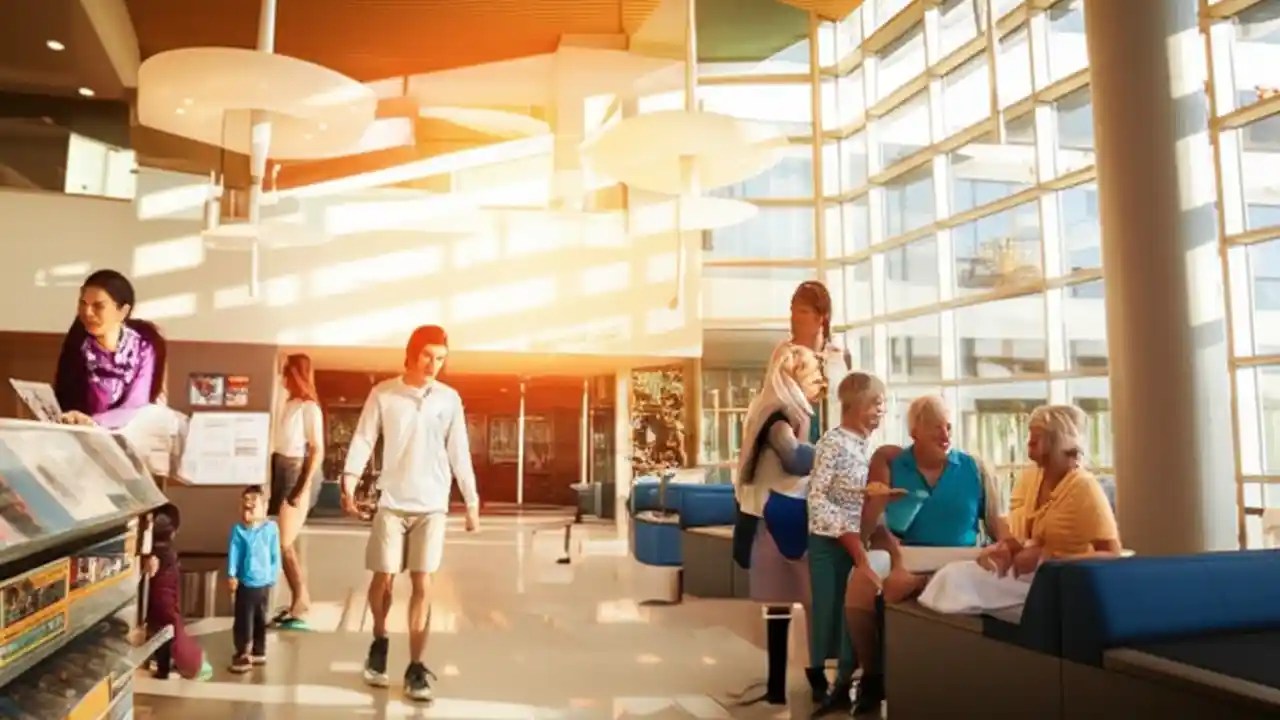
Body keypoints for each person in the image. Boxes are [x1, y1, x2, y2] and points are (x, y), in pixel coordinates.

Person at [843, 396, 1011, 716]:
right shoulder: (894, 464)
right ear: (915, 431)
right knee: (859, 584)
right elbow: (877, 529)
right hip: (905, 552)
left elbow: (996, 521)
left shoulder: (973, 467)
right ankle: (872, 673)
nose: (945, 435)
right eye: (936, 428)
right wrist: (897, 562)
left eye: (948, 427)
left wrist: (1008, 546)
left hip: (962, 554)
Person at [341, 324, 481, 703]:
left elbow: (459, 452)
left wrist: (471, 501)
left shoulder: (449, 399)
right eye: (427, 356)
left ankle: (416, 667)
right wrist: (350, 480)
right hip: (391, 502)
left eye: (440, 359)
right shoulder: (384, 393)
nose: (433, 364)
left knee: (423, 584)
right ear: (412, 353)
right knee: (383, 579)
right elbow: (364, 437)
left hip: (432, 505)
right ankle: (380, 640)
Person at [919, 405, 1121, 614]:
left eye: (1034, 441)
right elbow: (1017, 534)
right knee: (952, 575)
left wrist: (1051, 562)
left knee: (956, 582)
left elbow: (1112, 553)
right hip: (1025, 575)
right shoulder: (1032, 477)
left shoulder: (1083, 487)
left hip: (1061, 580)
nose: (1028, 447)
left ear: (1057, 442)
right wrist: (1005, 549)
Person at [731, 344, 826, 706]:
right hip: (782, 517)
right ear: (795, 376)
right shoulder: (779, 415)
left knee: (780, 604)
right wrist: (834, 453)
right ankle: (813, 680)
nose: (819, 383)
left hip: (769, 516)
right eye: (814, 375)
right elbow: (794, 458)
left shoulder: (771, 408)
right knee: (808, 600)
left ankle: (779, 685)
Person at [806, 372, 893, 716]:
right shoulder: (832, 443)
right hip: (831, 545)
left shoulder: (865, 448)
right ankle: (828, 686)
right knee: (830, 615)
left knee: (850, 617)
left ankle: (844, 683)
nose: (881, 411)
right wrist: (849, 536)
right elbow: (817, 499)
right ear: (857, 406)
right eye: (877, 404)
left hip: (858, 542)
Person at [53, 269, 167, 430]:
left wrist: (94, 422)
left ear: (123, 311)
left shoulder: (143, 348)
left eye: (98, 306)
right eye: (83, 304)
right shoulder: (78, 347)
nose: (87, 313)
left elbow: (136, 406)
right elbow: (65, 401)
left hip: (131, 436)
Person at [268, 354, 324, 631]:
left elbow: (316, 449)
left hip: (295, 471)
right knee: (278, 539)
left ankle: (301, 602)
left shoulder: (309, 408)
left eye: (287, 374)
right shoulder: (289, 404)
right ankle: (295, 601)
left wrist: (301, 487)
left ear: (297, 375)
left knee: (284, 542)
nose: (283, 379)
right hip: (279, 466)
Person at [144, 503, 213, 681]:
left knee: (161, 634)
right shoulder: (169, 554)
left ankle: (163, 668)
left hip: (155, 604)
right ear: (174, 531)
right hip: (166, 604)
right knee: (170, 633)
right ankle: (183, 665)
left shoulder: (152, 553)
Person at [786, 281, 850, 441]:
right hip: (797, 448)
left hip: (834, 445)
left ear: (822, 317)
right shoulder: (785, 356)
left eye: (803, 312)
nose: (795, 318)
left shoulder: (840, 357)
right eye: (793, 311)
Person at [227, 486, 281, 673]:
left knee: (260, 617)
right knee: (244, 619)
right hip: (246, 582)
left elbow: (275, 554)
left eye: (252, 508)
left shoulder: (271, 529)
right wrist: (231, 574)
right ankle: (243, 652)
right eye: (244, 507)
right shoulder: (239, 531)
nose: (247, 512)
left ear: (264, 508)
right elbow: (234, 553)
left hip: (263, 582)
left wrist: (274, 575)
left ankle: (258, 649)